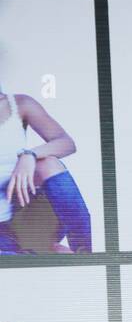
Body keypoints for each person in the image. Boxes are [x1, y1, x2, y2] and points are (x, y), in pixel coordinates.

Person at [0, 86, 92, 254]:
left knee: (48, 163)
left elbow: (66, 143)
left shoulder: (20, 104)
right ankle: (40, 254)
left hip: (25, 219)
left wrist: (30, 154)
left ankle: (83, 255)